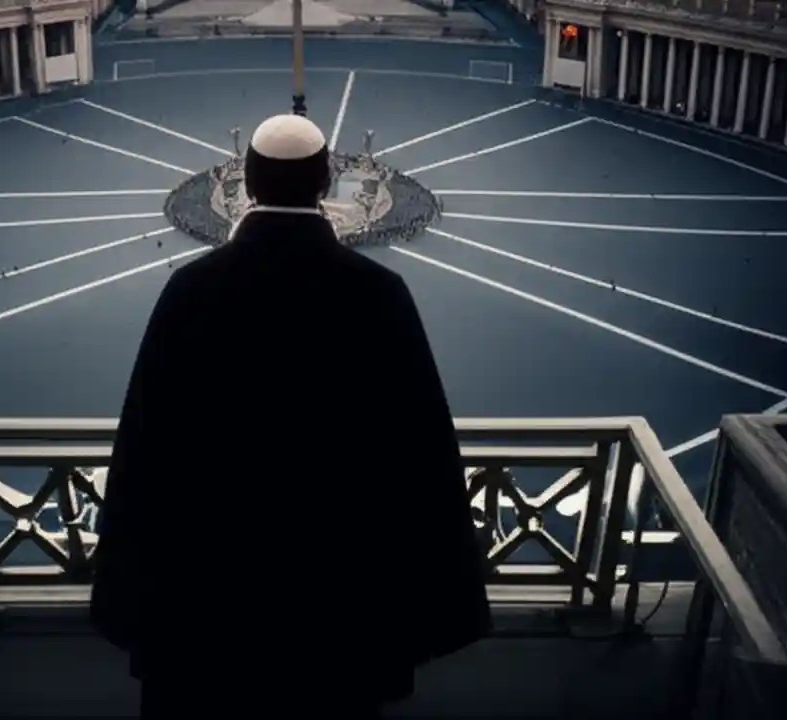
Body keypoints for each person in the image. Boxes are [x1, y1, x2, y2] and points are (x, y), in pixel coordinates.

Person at [91, 113, 491, 718]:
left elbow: (145, 452)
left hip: (207, 600)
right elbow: (422, 456)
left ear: (247, 183)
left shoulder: (190, 291)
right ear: (326, 182)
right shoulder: (379, 294)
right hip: (340, 600)